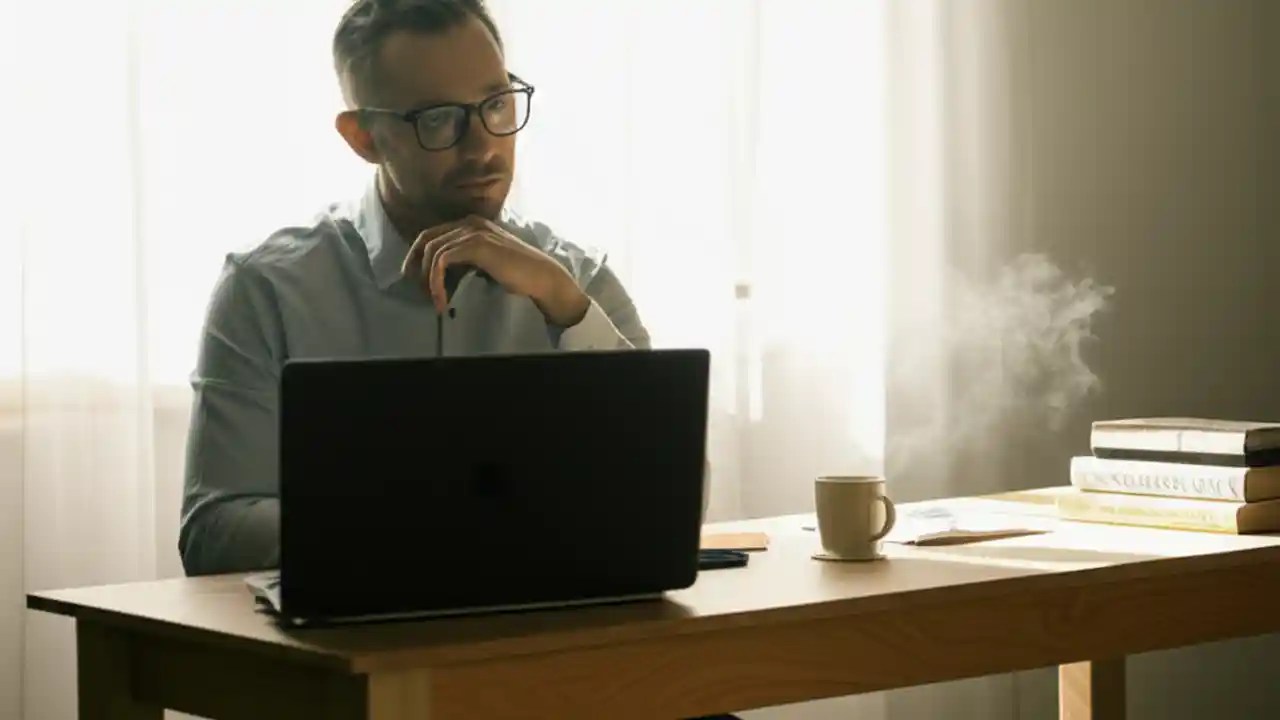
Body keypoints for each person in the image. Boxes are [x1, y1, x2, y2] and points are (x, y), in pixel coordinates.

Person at [178, 0, 652, 577]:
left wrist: (569, 312)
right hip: (354, 654)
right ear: (363, 138)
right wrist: (438, 530)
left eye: (497, 105)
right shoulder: (267, 290)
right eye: (438, 119)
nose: (482, 146)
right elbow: (215, 530)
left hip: (552, 648)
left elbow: (671, 500)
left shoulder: (576, 281)